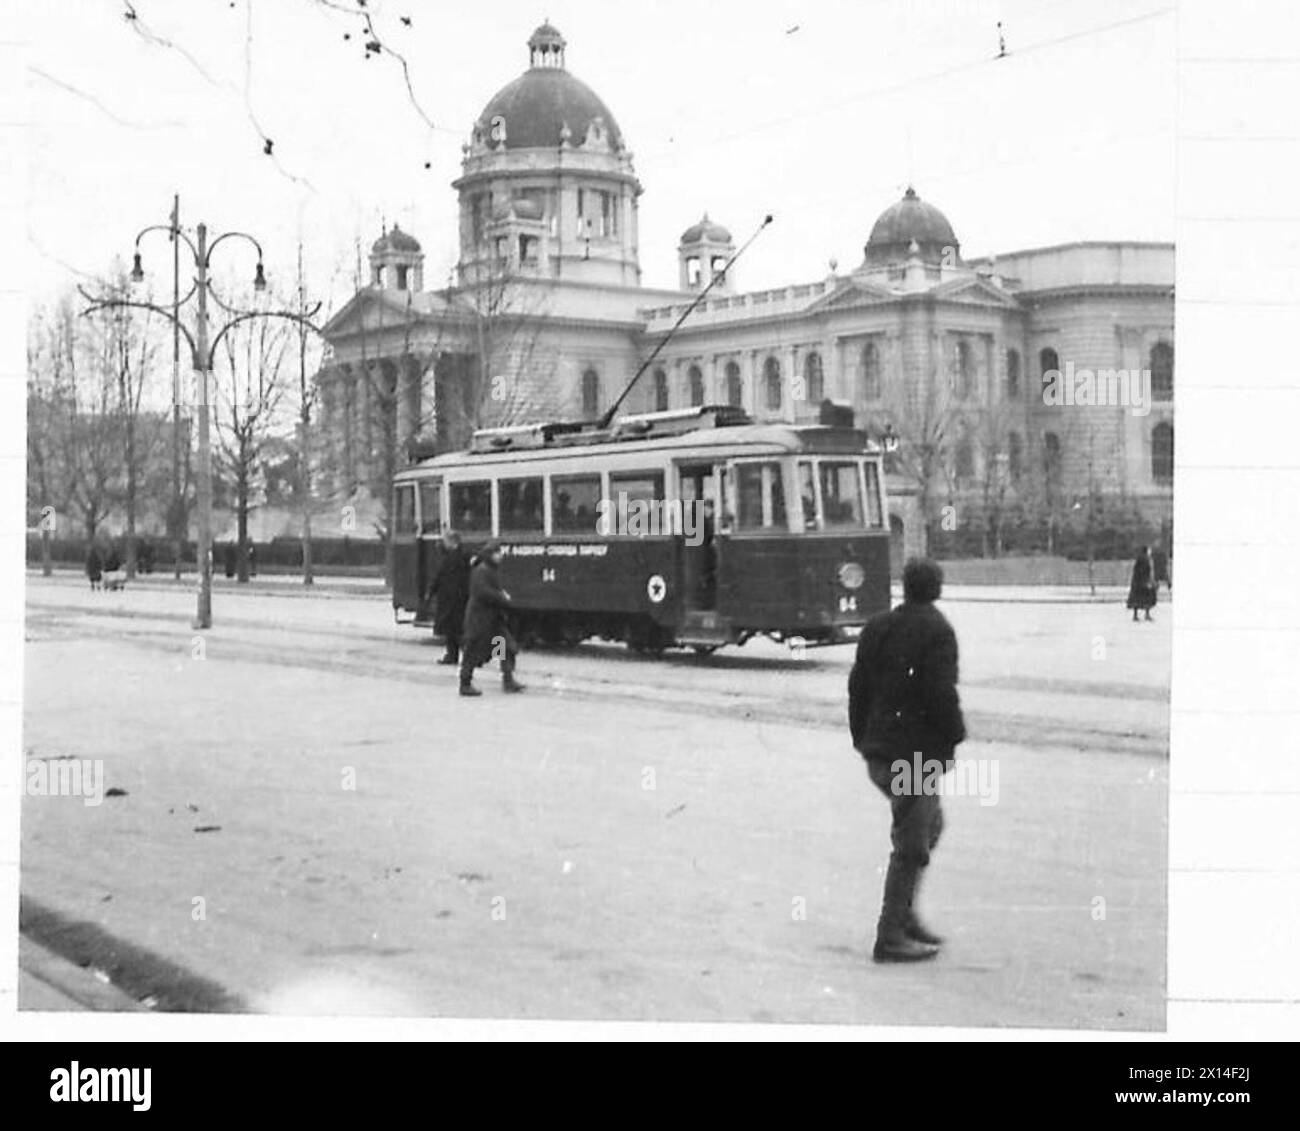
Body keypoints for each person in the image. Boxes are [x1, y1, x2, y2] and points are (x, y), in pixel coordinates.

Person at [848, 557, 966, 963]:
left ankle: (905, 916)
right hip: (913, 755)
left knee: (929, 824)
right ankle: (891, 935)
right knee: (913, 841)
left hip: (880, 751)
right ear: (937, 588)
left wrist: (862, 738)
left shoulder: (878, 626)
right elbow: (941, 694)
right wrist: (955, 734)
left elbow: (857, 688)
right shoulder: (938, 631)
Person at [458, 541, 524, 696]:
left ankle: (508, 679)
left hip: (493, 621)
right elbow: (483, 592)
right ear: (490, 555)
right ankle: (465, 683)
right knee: (473, 651)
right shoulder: (482, 570)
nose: (500, 556)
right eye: (497, 553)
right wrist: (502, 597)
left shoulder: (490, 570)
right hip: (480, 620)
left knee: (505, 648)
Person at [427, 530, 471, 665]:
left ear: (452, 541)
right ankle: (453, 655)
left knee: (458, 630)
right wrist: (431, 591)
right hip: (449, 599)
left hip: (457, 599)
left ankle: (466, 657)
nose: (443, 544)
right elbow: (440, 576)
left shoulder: (462, 556)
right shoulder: (451, 556)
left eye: (445, 541)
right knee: (452, 630)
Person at [1127, 546, 1157, 622]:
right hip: (1144, 582)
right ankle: (1147, 615)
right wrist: (1150, 581)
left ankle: (1135, 615)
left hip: (1137, 583)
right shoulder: (1147, 559)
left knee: (1137, 600)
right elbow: (1147, 571)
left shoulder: (1139, 558)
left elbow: (1136, 570)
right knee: (1147, 599)